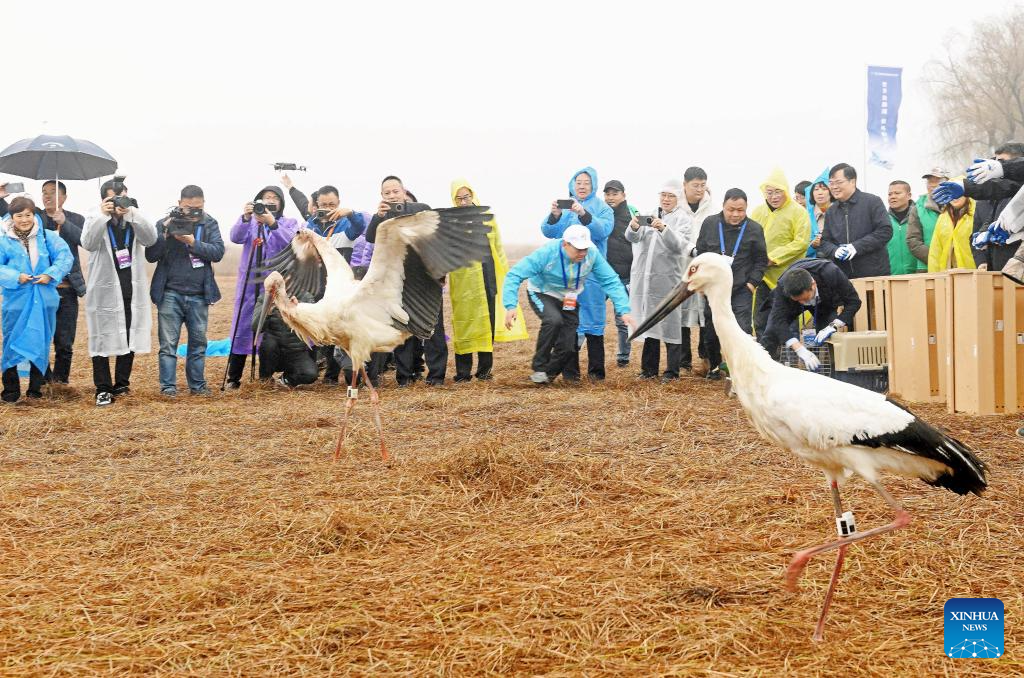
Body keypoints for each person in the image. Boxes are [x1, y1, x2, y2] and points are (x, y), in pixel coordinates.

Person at [503, 225, 632, 385]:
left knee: (569, 346)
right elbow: (514, 274)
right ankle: (539, 367)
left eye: (585, 248)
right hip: (543, 292)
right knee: (553, 320)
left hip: (569, 297)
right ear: (565, 244)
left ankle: (544, 377)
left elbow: (610, 280)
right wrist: (510, 306)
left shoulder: (592, 254)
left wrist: (623, 309)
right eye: (578, 249)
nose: (582, 253)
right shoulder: (547, 253)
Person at [80, 180, 158, 406]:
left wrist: (133, 213)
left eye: (122, 197)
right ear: (103, 200)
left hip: (129, 287)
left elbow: (150, 238)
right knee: (101, 337)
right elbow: (89, 243)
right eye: (113, 199)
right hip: (103, 288)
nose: (118, 203)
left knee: (129, 333)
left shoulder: (134, 217)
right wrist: (102, 217)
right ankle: (103, 388)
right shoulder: (94, 217)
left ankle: (122, 383)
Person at [146, 185, 225, 397]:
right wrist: (164, 232)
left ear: (204, 204)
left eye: (198, 208)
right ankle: (168, 387)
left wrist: (193, 242)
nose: (194, 213)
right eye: (189, 208)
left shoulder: (209, 223)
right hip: (170, 292)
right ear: (180, 203)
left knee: (198, 343)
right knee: (168, 345)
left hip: (199, 293)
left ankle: (197, 386)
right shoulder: (164, 223)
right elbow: (151, 255)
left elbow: (218, 252)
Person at [366, 175, 445, 386]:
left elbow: (438, 241)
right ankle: (404, 377)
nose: (392, 196)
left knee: (434, 329)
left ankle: (436, 377)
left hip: (426, 277)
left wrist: (440, 274)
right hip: (398, 280)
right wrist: (377, 216)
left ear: (404, 191)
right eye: (387, 193)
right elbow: (370, 237)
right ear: (382, 196)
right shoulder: (382, 216)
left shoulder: (422, 209)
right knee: (402, 329)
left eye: (395, 191)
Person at [448, 179, 527, 383]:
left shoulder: (486, 217)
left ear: (472, 195)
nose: (464, 201)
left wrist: (505, 273)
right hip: (464, 281)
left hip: (487, 276)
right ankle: (463, 372)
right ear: (454, 199)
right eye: (459, 198)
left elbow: (498, 248)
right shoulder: (450, 222)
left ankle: (484, 370)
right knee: (465, 324)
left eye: (467, 196)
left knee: (488, 322)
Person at [541, 166, 614, 381]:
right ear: (572, 184)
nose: (581, 186)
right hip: (566, 275)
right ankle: (570, 374)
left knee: (593, 321)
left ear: (593, 185)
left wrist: (583, 213)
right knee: (568, 321)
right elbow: (549, 232)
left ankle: (596, 373)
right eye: (578, 182)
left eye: (586, 182)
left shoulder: (602, 208)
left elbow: (603, 231)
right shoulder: (565, 209)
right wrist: (554, 216)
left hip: (591, 274)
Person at [225, 186, 302, 390]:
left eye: (275, 198)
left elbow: (292, 242)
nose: (270, 201)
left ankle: (266, 375)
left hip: (277, 283)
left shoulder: (289, 223)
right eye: (265, 198)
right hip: (249, 285)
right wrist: (245, 216)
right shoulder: (251, 222)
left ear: (281, 203)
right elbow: (235, 237)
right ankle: (233, 377)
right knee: (242, 327)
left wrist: (273, 224)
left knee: (272, 327)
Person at [0, 197, 72, 402]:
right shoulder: (4, 241)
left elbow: (65, 257)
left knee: (41, 341)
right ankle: (11, 390)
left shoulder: (48, 237)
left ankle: (35, 390)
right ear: (12, 217)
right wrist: (15, 276)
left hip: (43, 298)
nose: (24, 219)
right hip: (16, 300)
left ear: (34, 215)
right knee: (12, 341)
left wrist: (50, 274)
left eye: (28, 215)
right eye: (19, 215)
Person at [625, 181, 698, 381]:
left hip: (667, 279)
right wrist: (633, 226)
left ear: (678, 198)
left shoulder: (683, 219)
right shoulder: (649, 213)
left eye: (671, 196)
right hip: (645, 280)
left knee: (670, 325)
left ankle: (672, 371)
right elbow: (633, 237)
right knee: (650, 324)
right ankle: (648, 370)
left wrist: (663, 228)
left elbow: (680, 246)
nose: (666, 199)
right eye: (663, 195)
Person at [694, 188, 768, 380]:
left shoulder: (754, 229)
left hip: (741, 288)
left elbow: (761, 260)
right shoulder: (710, 224)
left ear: (746, 209)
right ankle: (715, 367)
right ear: (723, 206)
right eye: (731, 209)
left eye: (740, 210)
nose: (735, 214)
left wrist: (752, 284)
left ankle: (742, 370)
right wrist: (703, 285)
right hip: (714, 289)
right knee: (711, 329)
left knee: (742, 328)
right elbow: (701, 254)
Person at [758, 259, 862, 370]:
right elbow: (778, 320)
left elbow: (854, 301)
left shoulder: (831, 273)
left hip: (824, 302)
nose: (803, 302)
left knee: (829, 336)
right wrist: (798, 348)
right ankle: (762, 368)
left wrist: (834, 325)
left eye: (805, 299)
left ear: (813, 285)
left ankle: (833, 372)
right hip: (792, 307)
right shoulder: (783, 286)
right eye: (798, 300)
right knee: (771, 333)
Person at [750, 168, 812, 337]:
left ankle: (789, 359)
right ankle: (766, 357)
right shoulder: (757, 212)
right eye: (769, 192)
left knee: (788, 319)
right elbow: (749, 238)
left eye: (778, 191)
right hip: (763, 275)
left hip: (788, 275)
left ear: (785, 190)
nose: (774, 196)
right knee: (761, 319)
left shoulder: (798, 212)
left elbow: (801, 242)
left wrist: (774, 258)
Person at [816, 163, 892, 278]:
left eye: (839, 182)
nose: (834, 187)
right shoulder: (831, 211)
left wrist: (856, 247)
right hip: (844, 277)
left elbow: (885, 231)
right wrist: (834, 251)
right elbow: (825, 241)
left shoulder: (872, 202)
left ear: (852, 181)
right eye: (831, 183)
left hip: (874, 275)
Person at [251, 288, 318, 387]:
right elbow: (255, 327)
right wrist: (267, 309)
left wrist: (298, 310)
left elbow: (314, 327)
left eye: (288, 275)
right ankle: (265, 378)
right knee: (269, 345)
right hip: (273, 352)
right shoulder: (265, 297)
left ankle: (286, 379)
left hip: (296, 351)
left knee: (310, 374)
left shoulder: (306, 297)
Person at [602, 179, 635, 367]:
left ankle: (624, 357)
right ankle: (575, 348)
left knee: (623, 319)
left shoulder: (632, 214)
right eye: (607, 194)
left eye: (615, 194)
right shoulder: (600, 213)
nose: (610, 197)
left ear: (623, 195)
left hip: (624, 275)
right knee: (591, 314)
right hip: (602, 274)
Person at [304, 185, 365, 262]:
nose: (328, 208)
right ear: (318, 203)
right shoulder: (310, 226)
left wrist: (351, 213)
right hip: (315, 272)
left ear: (338, 203)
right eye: (323, 205)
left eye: (331, 204)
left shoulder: (346, 224)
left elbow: (360, 226)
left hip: (340, 273)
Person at [906, 167, 948, 272]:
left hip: (957, 266)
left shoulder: (958, 204)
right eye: (929, 182)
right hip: (927, 267)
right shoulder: (918, 208)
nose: (932, 185)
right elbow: (913, 240)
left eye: (937, 181)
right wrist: (936, 258)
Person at [928, 195, 976, 272]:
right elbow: (936, 250)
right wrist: (933, 275)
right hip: (947, 273)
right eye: (950, 193)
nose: (955, 196)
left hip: (973, 271)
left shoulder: (976, 213)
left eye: (958, 193)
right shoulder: (942, 218)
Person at [885, 181, 920, 275]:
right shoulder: (883, 221)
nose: (892, 197)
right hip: (890, 278)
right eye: (890, 194)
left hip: (919, 276)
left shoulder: (921, 216)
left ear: (909, 195)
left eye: (897, 193)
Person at [805, 173, 833, 257]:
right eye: (816, 189)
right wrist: (812, 245)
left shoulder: (840, 212)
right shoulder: (805, 215)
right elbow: (799, 246)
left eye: (824, 189)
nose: (820, 193)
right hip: (812, 263)